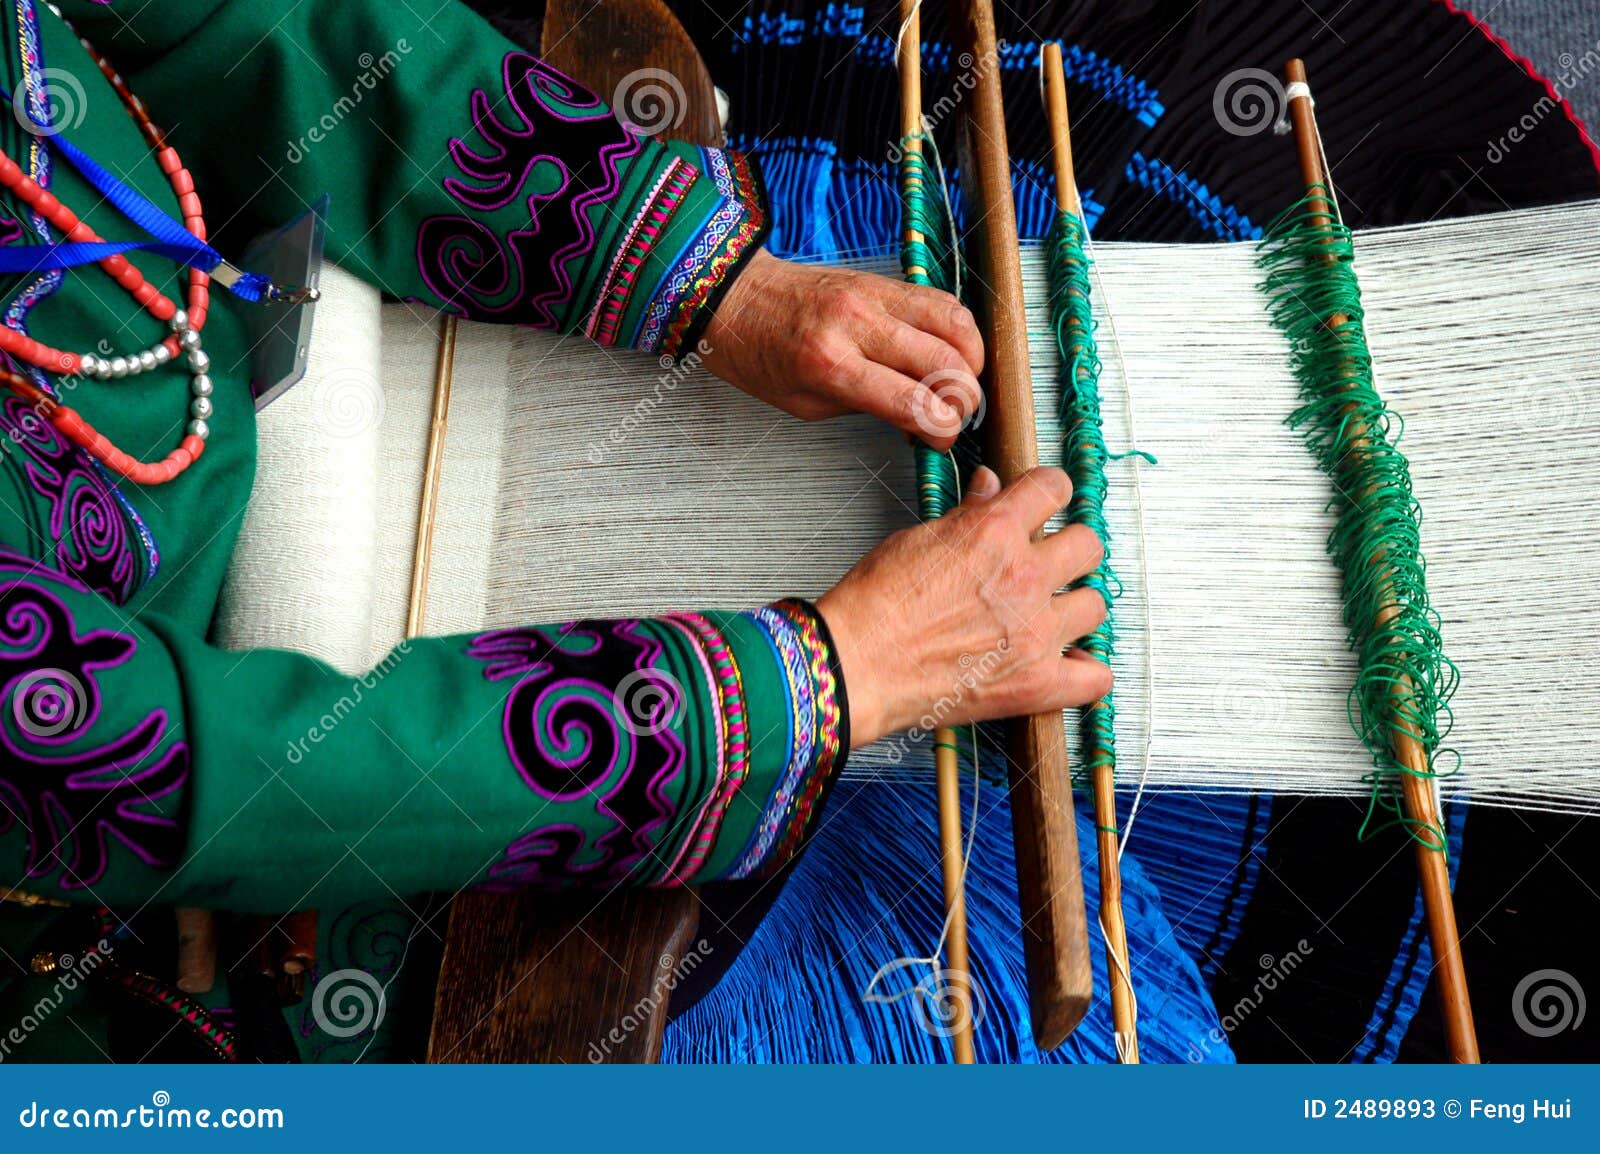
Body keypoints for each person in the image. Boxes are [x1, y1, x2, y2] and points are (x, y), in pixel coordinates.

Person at [0, 0, 1109, 1060]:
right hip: (159, 897)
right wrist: (820, 682)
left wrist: (712, 279)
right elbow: (136, 762)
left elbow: (250, 24)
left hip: (229, 292)